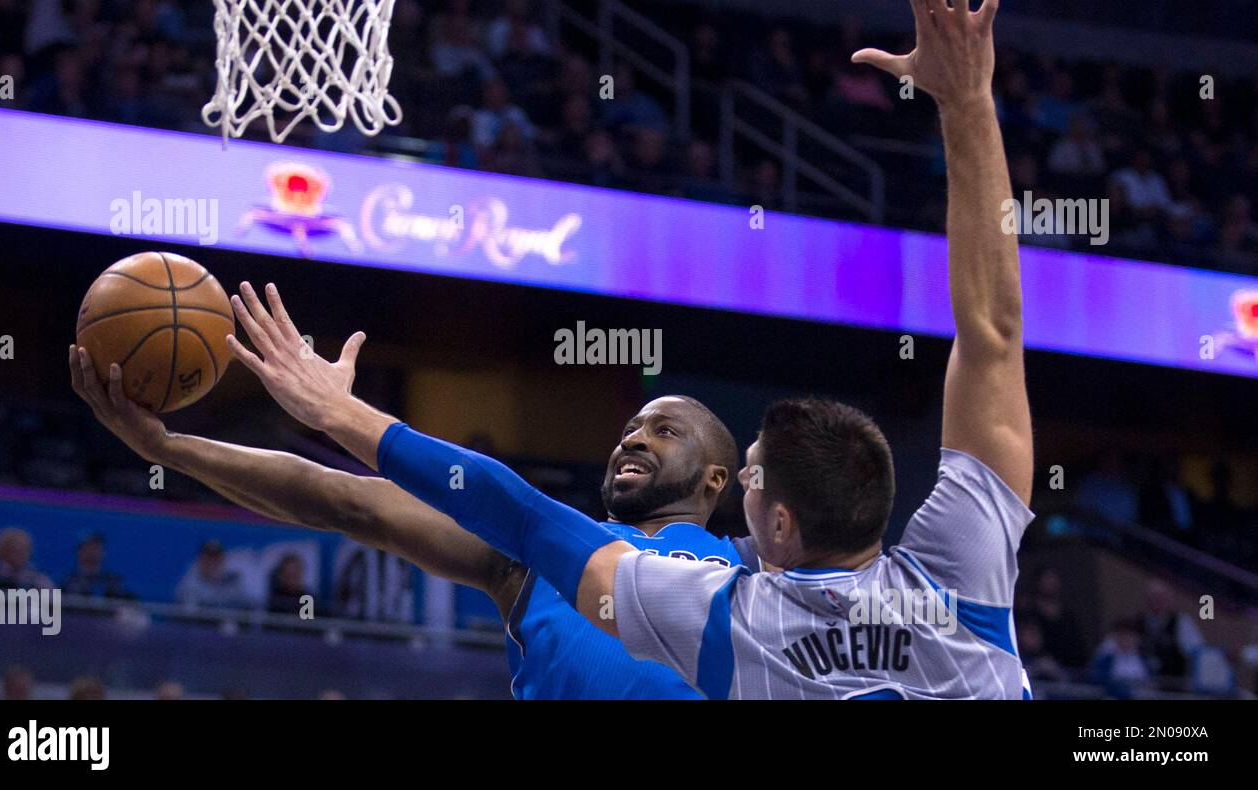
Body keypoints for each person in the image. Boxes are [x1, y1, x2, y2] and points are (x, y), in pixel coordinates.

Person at [218, 0, 1033, 699]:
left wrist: (339, 413)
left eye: (749, 475)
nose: (742, 488)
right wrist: (968, 100)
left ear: (777, 524)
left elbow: (520, 513)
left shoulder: (730, 617)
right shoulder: (957, 569)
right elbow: (993, 332)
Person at [70, 361, 758, 701]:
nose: (633, 440)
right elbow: (346, 501)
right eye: (629, 428)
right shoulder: (541, 553)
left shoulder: (757, 578)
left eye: (663, 431)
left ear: (716, 480)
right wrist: (170, 449)